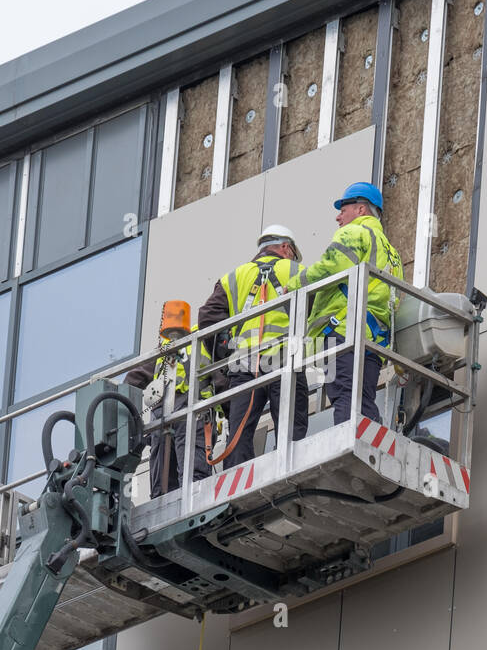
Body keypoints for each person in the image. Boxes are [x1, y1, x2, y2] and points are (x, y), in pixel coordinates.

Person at [282, 181, 403, 424]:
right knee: (363, 396)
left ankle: (353, 442)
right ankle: (370, 441)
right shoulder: (392, 252)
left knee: (344, 392)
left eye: (343, 209)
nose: (338, 218)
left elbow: (330, 268)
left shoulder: (354, 232)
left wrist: (294, 285)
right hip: (374, 336)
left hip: (343, 329)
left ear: (360, 210)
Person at [198, 225, 309, 468]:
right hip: (286, 359)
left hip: (244, 365)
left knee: (239, 431)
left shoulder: (234, 277)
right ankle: (291, 473)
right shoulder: (297, 270)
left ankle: (235, 484)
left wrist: (226, 355)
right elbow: (316, 306)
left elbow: (207, 316)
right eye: (291, 252)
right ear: (285, 248)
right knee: (291, 426)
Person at [124, 300, 214, 497]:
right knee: (178, 472)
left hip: (185, 408)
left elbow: (135, 377)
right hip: (174, 410)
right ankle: (176, 498)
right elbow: (135, 377)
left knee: (183, 473)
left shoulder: (199, 337)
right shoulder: (197, 338)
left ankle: (181, 499)